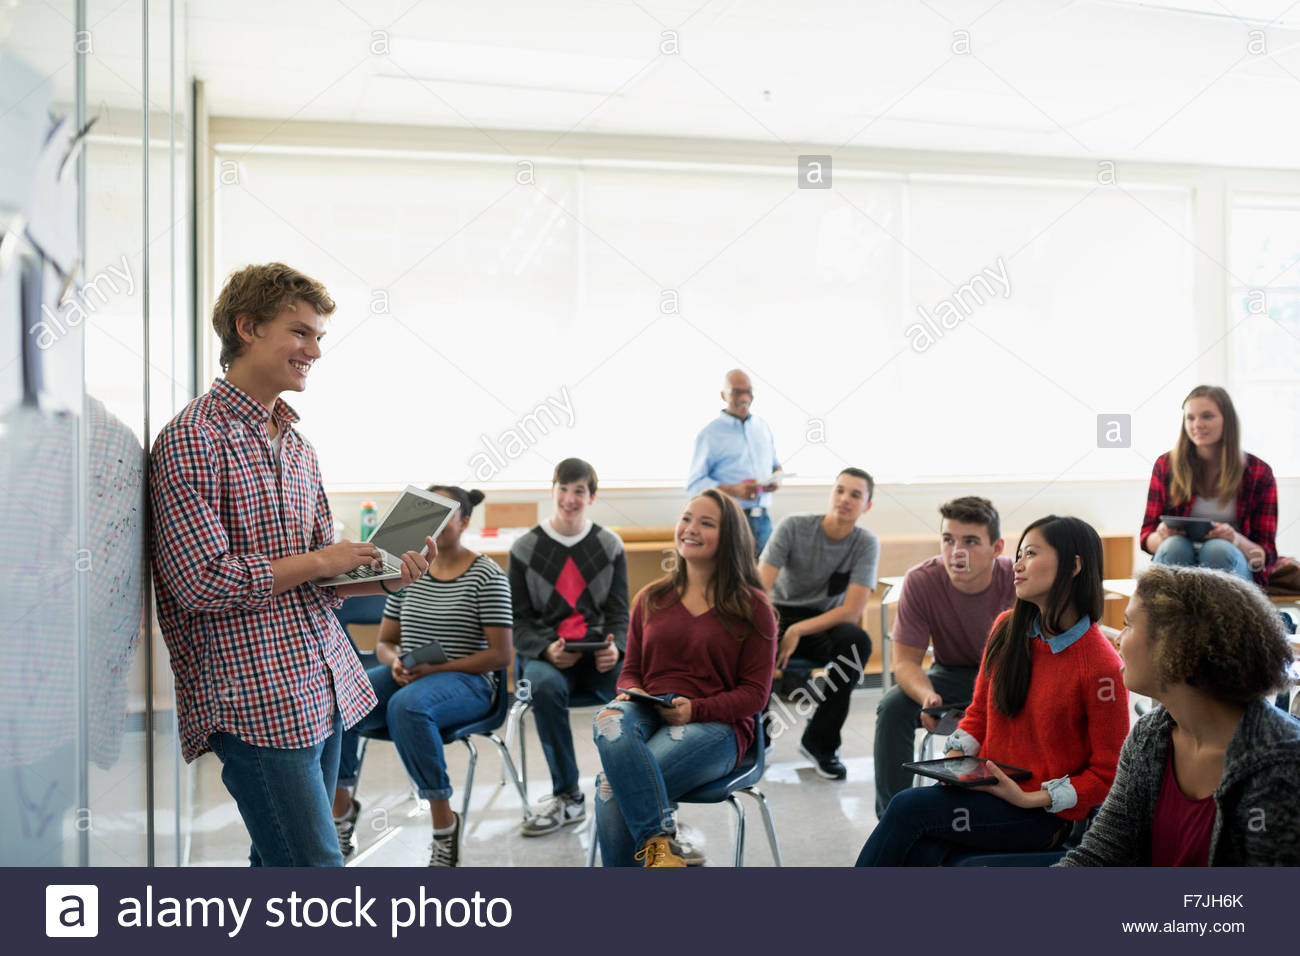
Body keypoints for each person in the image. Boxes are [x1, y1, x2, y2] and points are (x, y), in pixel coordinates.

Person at [149, 263, 430, 867]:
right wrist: (322, 558)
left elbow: (318, 577)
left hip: (323, 685)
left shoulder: (298, 445)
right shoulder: (192, 439)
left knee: (278, 862)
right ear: (247, 328)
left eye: (320, 337)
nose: (315, 351)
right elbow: (201, 581)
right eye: (301, 333)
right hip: (256, 700)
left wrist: (384, 575)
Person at [857, 516, 1130, 866]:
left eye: (1030, 553)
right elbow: (979, 715)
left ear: (1074, 565)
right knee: (921, 850)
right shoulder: (1006, 628)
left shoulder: (1101, 666)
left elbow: (1107, 775)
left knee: (908, 808)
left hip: (1044, 817)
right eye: (1018, 554)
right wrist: (956, 764)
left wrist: (1028, 798)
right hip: (986, 794)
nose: (1017, 565)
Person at [1058, 565, 1300, 866]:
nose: (1118, 640)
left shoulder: (1281, 762)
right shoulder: (1149, 736)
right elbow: (1099, 855)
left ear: (1175, 645)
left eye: (1128, 624)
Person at [593, 489, 777, 866]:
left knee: (613, 788)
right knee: (609, 720)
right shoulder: (651, 598)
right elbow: (631, 669)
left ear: (729, 538)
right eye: (687, 518)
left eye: (706, 523)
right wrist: (633, 690)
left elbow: (755, 695)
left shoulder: (754, 607)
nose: (690, 529)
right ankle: (660, 847)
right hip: (649, 707)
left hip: (717, 725)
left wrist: (696, 709)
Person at [332, 486, 512, 866]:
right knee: (343, 694)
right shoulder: (405, 569)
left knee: (407, 708)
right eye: (431, 512)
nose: (439, 522)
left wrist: (437, 669)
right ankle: (341, 813)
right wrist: (394, 661)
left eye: (448, 513)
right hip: (411, 673)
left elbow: (501, 655)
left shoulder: (487, 576)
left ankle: (444, 827)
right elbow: (385, 642)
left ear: (464, 521)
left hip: (470, 683)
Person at [872, 497, 1016, 816]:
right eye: (948, 540)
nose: (956, 552)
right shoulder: (921, 580)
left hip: (1006, 678)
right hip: (951, 675)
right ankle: (892, 818)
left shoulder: (1017, 580)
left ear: (997, 548)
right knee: (893, 706)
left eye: (970, 542)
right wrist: (927, 696)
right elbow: (906, 662)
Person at [511, 458, 628, 837]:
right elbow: (519, 620)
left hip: (597, 654)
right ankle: (568, 796)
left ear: (591, 497)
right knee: (544, 688)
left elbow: (619, 614)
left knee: (636, 690)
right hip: (549, 654)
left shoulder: (610, 545)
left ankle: (631, 791)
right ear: (552, 491)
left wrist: (618, 648)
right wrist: (546, 649)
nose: (569, 498)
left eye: (579, 490)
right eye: (563, 488)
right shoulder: (524, 548)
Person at [759, 467, 878, 779]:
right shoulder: (794, 527)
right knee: (753, 634)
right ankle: (757, 734)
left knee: (857, 641)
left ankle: (821, 743)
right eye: (840, 490)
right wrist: (779, 628)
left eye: (855, 494)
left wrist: (798, 630)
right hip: (779, 612)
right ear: (831, 494)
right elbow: (758, 589)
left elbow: (851, 611)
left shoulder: (865, 543)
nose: (845, 499)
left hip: (823, 621)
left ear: (866, 506)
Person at [1141, 384, 1277, 587]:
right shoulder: (1166, 465)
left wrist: (1235, 540)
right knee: (1174, 545)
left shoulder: (1258, 472)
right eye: (1190, 418)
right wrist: (1161, 534)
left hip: (1233, 564)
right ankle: (1169, 618)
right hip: (1178, 554)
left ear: (1227, 421)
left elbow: (1264, 555)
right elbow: (1146, 539)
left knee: (1217, 549)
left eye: (1207, 416)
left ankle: (1218, 619)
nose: (1197, 424)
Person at [687, 368, 783, 554]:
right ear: (724, 395)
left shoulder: (762, 427)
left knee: (764, 579)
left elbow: (775, 464)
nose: (744, 397)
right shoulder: (709, 434)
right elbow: (694, 485)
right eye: (737, 392)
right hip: (729, 521)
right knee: (732, 579)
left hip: (763, 520)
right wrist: (734, 490)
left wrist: (776, 479)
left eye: (749, 391)